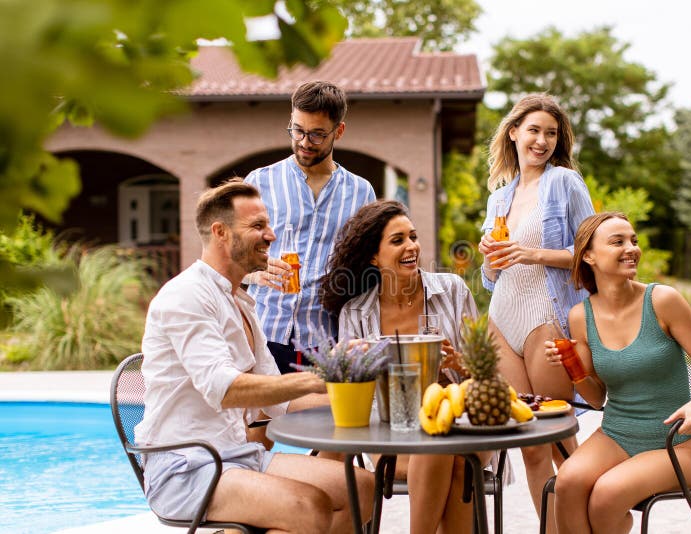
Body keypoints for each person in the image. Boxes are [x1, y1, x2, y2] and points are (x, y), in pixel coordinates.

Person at [135, 179, 374, 533]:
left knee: (361, 487)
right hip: (186, 467)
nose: (271, 235)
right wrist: (319, 376)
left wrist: (358, 393)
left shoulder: (241, 302)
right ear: (221, 233)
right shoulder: (186, 296)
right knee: (310, 508)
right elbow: (224, 389)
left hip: (238, 456)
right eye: (258, 226)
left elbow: (279, 400)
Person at [546, 211, 691, 533]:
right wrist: (573, 365)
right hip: (616, 435)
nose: (631, 248)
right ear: (588, 256)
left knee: (606, 494)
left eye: (633, 240)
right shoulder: (580, 316)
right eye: (617, 242)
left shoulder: (663, 301)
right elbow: (597, 398)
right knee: (568, 483)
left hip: (675, 445)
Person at [321, 199, 491, 534]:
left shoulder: (452, 291)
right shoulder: (356, 313)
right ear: (374, 256)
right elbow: (349, 392)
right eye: (397, 241)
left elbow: (489, 378)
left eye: (412, 236)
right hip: (391, 435)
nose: (411, 246)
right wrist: (360, 364)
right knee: (447, 458)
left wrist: (460, 363)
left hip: (467, 425)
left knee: (445, 448)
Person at [477, 92, 594, 522]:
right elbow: (492, 277)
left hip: (546, 317)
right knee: (529, 446)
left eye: (550, 133)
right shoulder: (498, 198)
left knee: (559, 436)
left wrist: (531, 253)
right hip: (501, 319)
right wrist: (489, 256)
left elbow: (591, 252)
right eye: (533, 131)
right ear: (513, 133)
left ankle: (587, 527)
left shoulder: (564, 182)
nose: (541, 140)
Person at [245, 80, 376, 374]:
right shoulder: (259, 182)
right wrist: (255, 273)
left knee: (321, 420)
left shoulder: (361, 192)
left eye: (317, 135)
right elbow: (230, 256)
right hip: (263, 334)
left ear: (338, 132)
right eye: (298, 130)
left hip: (327, 342)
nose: (304, 142)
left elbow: (367, 266)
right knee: (257, 420)